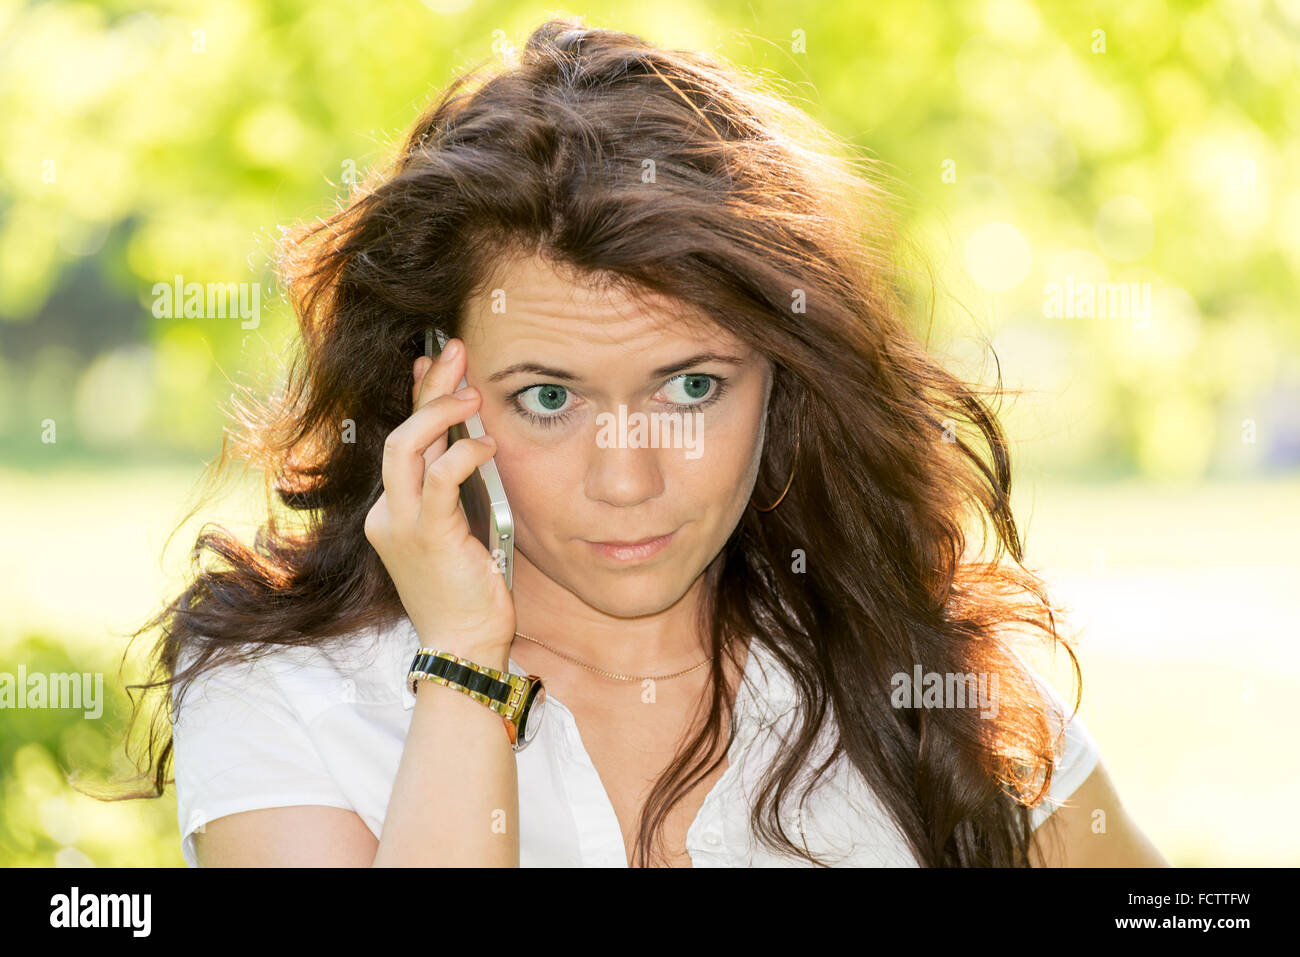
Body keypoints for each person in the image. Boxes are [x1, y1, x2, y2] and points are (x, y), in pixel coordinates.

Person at [135, 17, 1167, 867]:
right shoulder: (291, 694)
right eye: (548, 397)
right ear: (433, 393)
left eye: (691, 386)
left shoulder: (917, 675)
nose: (626, 479)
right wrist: (460, 665)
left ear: (785, 382)